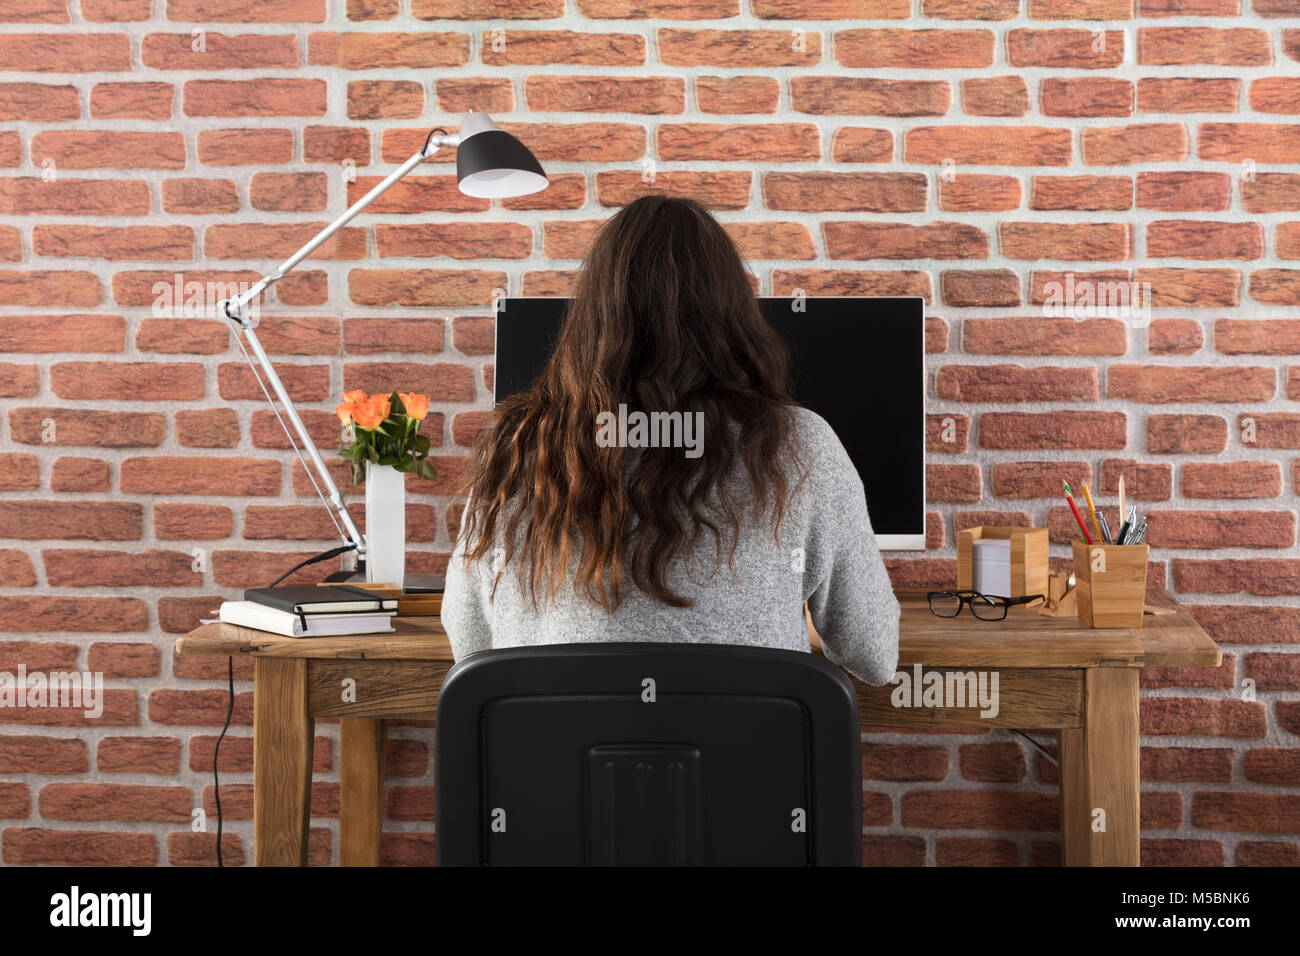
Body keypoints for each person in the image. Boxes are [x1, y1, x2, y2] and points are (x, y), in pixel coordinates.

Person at [440, 195, 900, 684]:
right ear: (733, 315)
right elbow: (873, 655)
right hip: (745, 759)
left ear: (591, 314)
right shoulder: (802, 446)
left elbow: (470, 648)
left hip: (555, 759)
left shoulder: (516, 445)